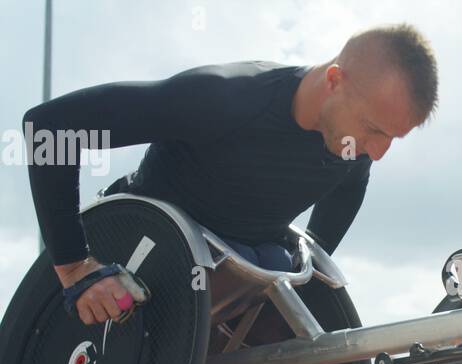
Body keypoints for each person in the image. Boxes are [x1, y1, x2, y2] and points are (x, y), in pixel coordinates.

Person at [23, 24, 439, 326]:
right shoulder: (226, 98)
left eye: (393, 139)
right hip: (141, 257)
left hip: (230, 279)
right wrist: (75, 267)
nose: (377, 153)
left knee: (279, 265)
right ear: (334, 81)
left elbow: (349, 187)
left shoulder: (351, 146)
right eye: (374, 130)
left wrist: (313, 269)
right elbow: (50, 128)